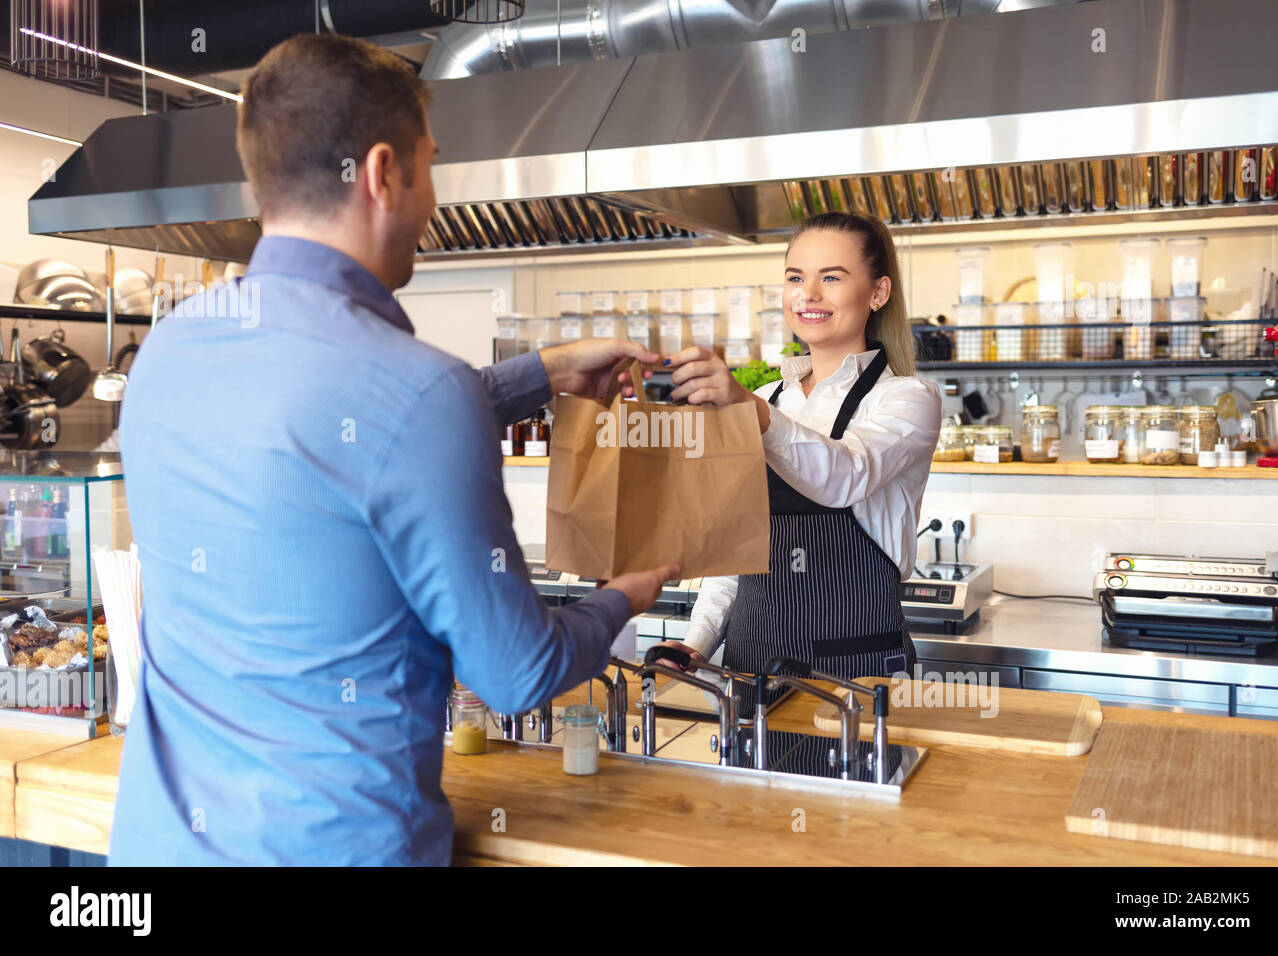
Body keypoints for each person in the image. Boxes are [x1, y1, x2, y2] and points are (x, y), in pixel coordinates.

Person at [110, 33, 676, 866]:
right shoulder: (418, 394)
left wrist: (543, 373)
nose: (435, 198)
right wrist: (627, 593)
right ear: (381, 174)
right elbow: (517, 672)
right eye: (431, 165)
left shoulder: (167, 351)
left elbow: (330, 445)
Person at [651, 211, 941, 687]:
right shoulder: (766, 400)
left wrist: (749, 412)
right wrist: (696, 642)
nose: (808, 294)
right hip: (748, 669)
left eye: (831, 277)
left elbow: (844, 476)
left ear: (878, 293)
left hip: (855, 674)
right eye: (795, 277)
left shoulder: (908, 398)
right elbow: (734, 553)